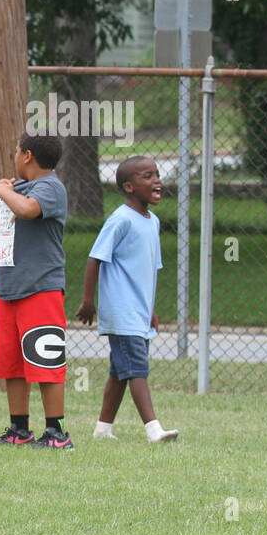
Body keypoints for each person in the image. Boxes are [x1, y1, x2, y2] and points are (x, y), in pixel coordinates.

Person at [76, 156, 179, 442]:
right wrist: (88, 301)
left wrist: (152, 308)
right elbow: (95, 258)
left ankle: (102, 429)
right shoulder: (120, 220)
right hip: (122, 312)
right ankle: (153, 429)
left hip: (139, 311)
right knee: (136, 369)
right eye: (148, 176)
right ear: (130, 187)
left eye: (157, 175)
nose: (156, 180)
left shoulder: (153, 222)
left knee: (120, 372)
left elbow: (147, 270)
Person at [0, 131, 71, 449]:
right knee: (12, 363)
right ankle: (19, 428)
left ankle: (57, 431)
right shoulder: (17, 189)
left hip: (41, 288)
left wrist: (1, 190)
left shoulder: (50, 187)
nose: (14, 157)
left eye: (16, 151)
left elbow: (29, 210)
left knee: (45, 359)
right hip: (11, 289)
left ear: (28, 155)